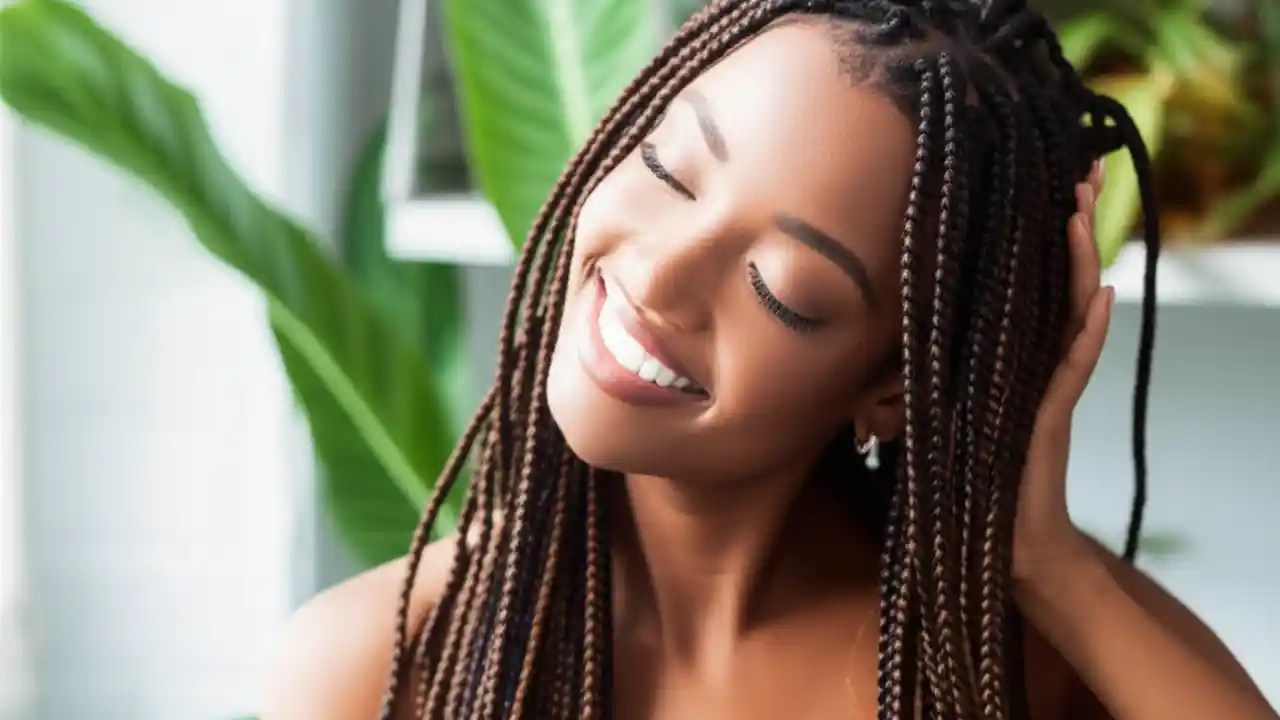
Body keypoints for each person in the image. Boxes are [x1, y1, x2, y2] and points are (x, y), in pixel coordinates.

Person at [263, 1, 1277, 718]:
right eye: (665, 166)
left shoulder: (998, 668)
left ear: (888, 387)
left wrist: (1046, 566)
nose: (660, 276)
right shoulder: (384, 665)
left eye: (783, 288)